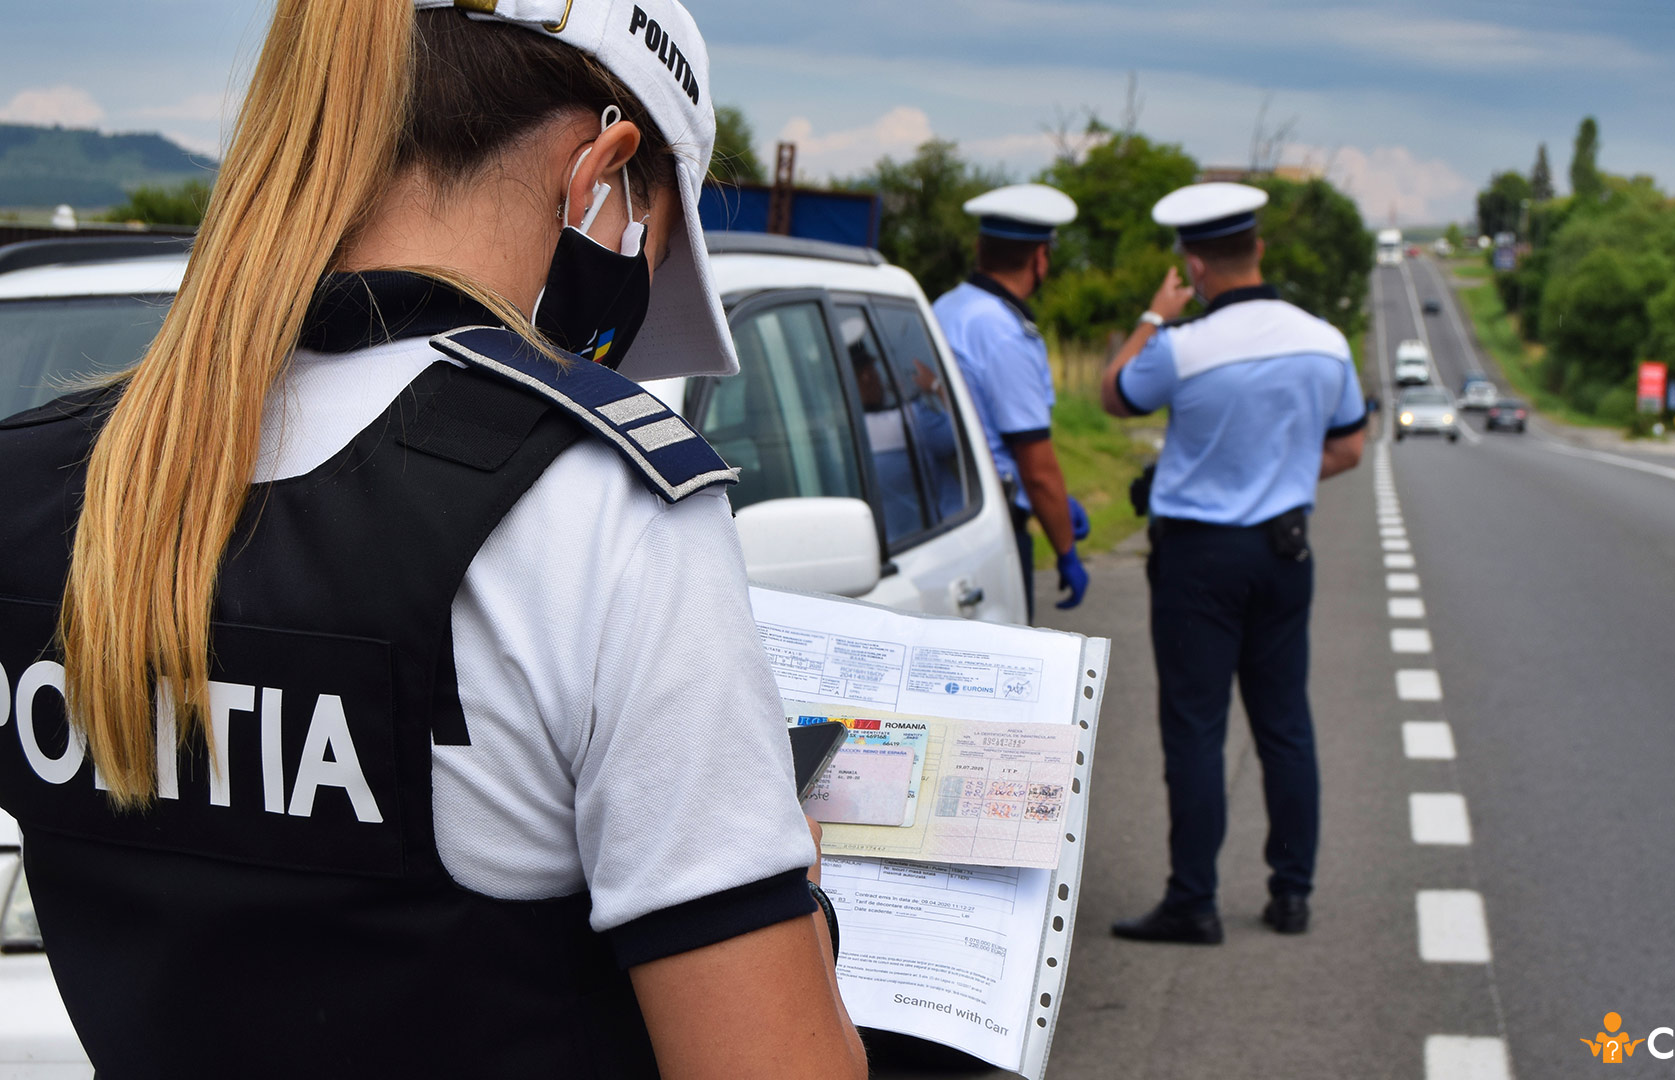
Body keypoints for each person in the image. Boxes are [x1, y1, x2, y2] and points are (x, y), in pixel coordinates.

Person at [0, 3, 865, 1077]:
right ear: (599, 168)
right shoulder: (599, 502)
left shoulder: (41, 482)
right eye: (646, 239)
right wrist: (804, 901)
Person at [1099, 183, 1367, 944]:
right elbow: (1348, 447)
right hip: (1284, 549)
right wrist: (1276, 474)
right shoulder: (1326, 342)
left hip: (1197, 559)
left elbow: (1114, 395)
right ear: (1259, 250)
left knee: (1194, 728)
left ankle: (1194, 900)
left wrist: (1156, 313)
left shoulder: (1184, 347)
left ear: (1194, 263)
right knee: (1285, 724)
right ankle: (1291, 894)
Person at [932, 184, 1091, 621]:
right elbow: (1036, 468)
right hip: (993, 522)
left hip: (944, 512)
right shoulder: (1003, 332)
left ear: (980, 247)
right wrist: (1065, 551)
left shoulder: (948, 306)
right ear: (1041, 257)